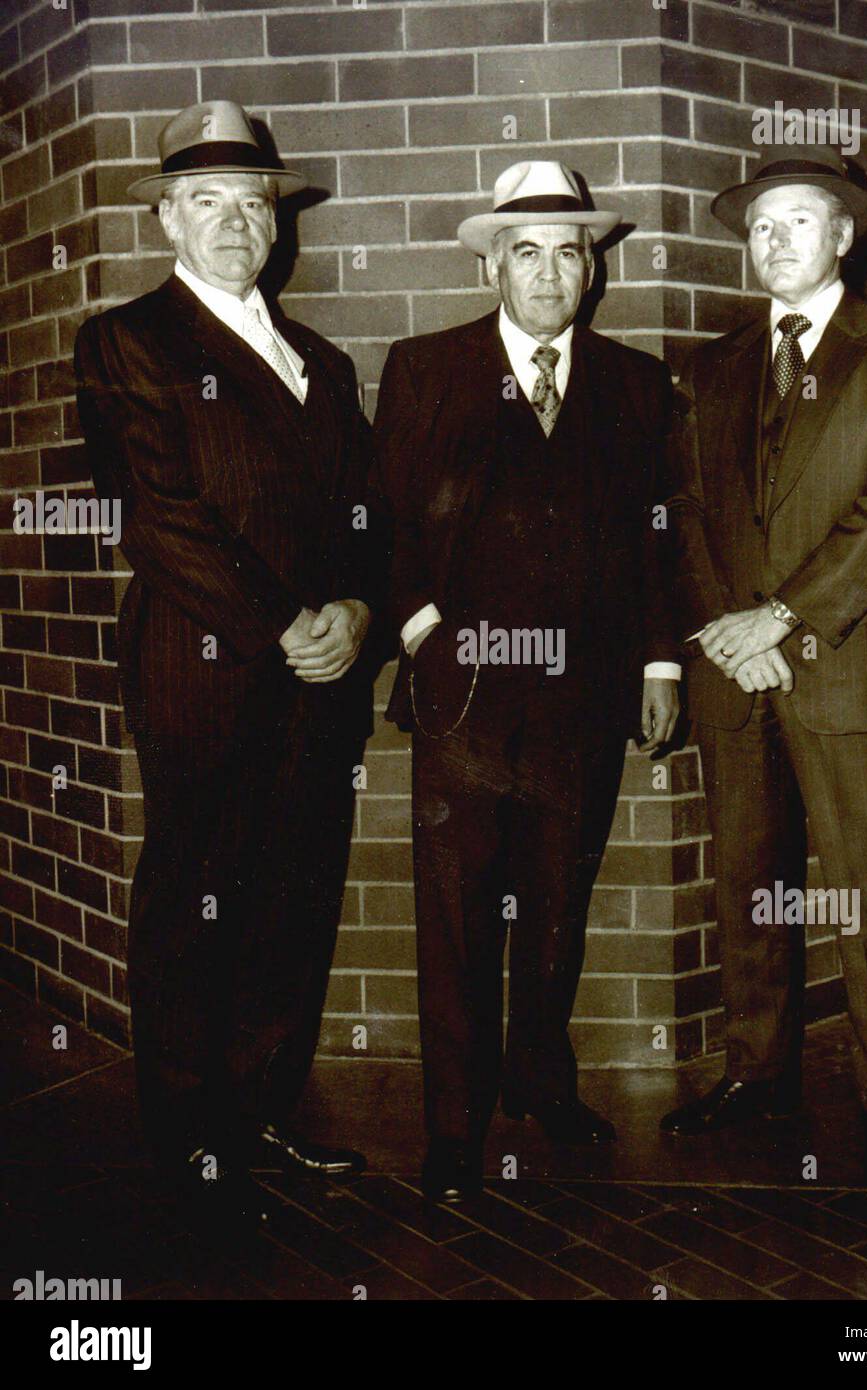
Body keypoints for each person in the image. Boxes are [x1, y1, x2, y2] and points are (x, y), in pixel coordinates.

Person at [74, 100, 378, 1226]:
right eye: (208, 202)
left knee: (293, 893)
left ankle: (257, 1111)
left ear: (278, 225)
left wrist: (353, 603)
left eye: (254, 203)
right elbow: (159, 517)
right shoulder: (125, 341)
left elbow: (363, 513)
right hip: (205, 668)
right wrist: (289, 621)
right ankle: (186, 1141)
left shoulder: (322, 359)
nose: (236, 223)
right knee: (196, 894)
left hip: (318, 675)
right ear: (167, 221)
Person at [373, 161, 682, 1203]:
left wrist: (658, 659)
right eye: (527, 253)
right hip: (461, 699)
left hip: (582, 701)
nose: (550, 273)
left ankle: (542, 1082)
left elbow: (655, 542)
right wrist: (422, 632)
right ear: (492, 264)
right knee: (457, 916)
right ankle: (455, 1127)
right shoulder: (427, 369)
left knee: (558, 905)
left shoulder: (636, 384)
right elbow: (385, 521)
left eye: (569, 253)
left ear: (591, 271)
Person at [661, 145, 867, 1188]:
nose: (773, 240)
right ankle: (761, 1068)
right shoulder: (708, 366)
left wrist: (781, 619)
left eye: (798, 220)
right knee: (750, 877)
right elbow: (688, 516)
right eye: (758, 226)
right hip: (734, 672)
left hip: (843, 663)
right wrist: (728, 632)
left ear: (845, 235)